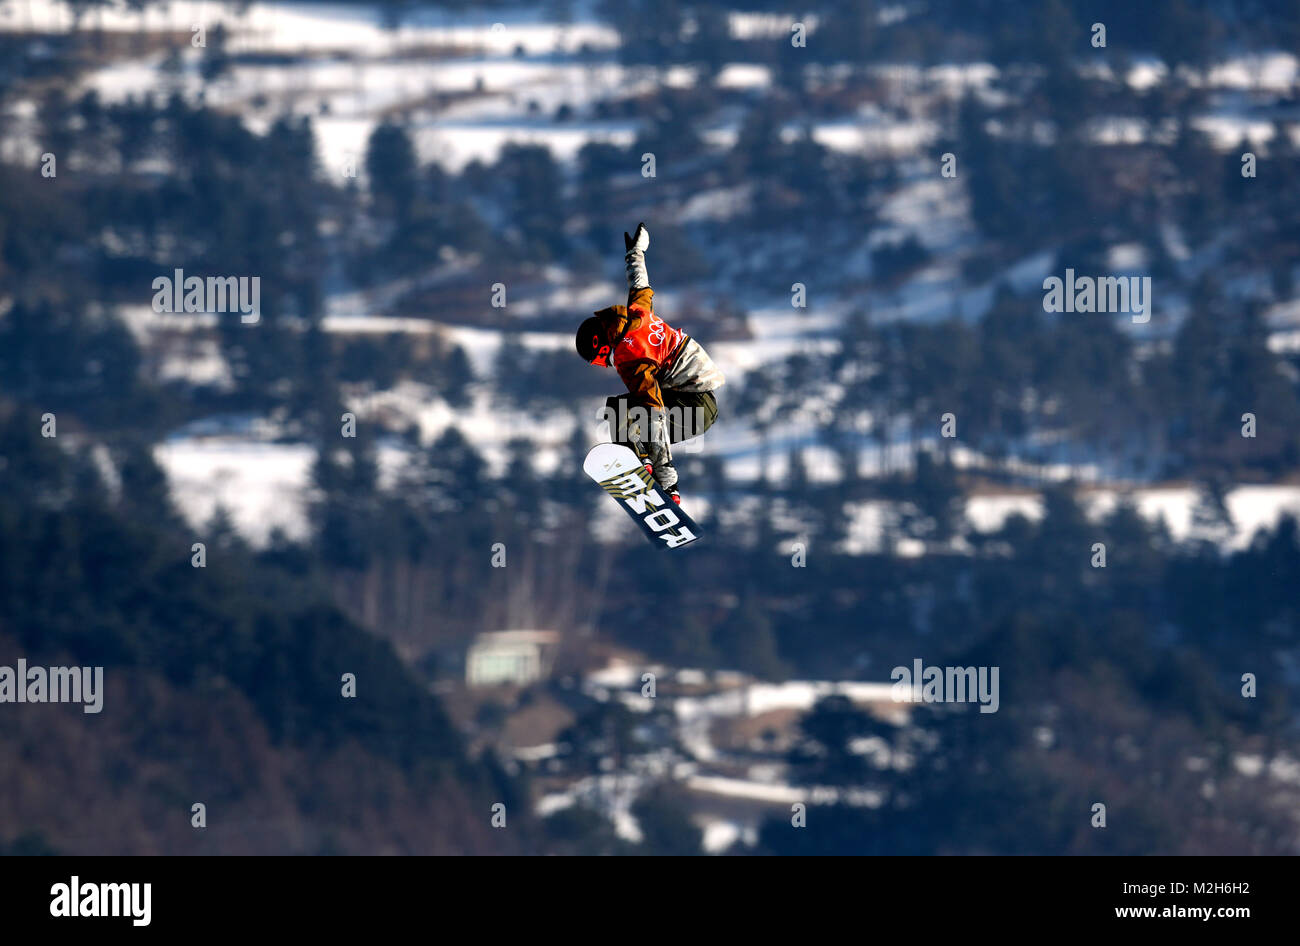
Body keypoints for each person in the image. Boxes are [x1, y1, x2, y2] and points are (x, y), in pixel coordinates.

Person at [574, 223, 724, 502]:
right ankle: (639, 459)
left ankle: (642, 464)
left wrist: (666, 479)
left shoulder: (628, 356)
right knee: (621, 408)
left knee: (624, 413)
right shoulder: (635, 315)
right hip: (699, 399)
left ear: (600, 343)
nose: (604, 365)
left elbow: (653, 412)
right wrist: (635, 252)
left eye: (598, 360)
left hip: (694, 409)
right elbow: (640, 284)